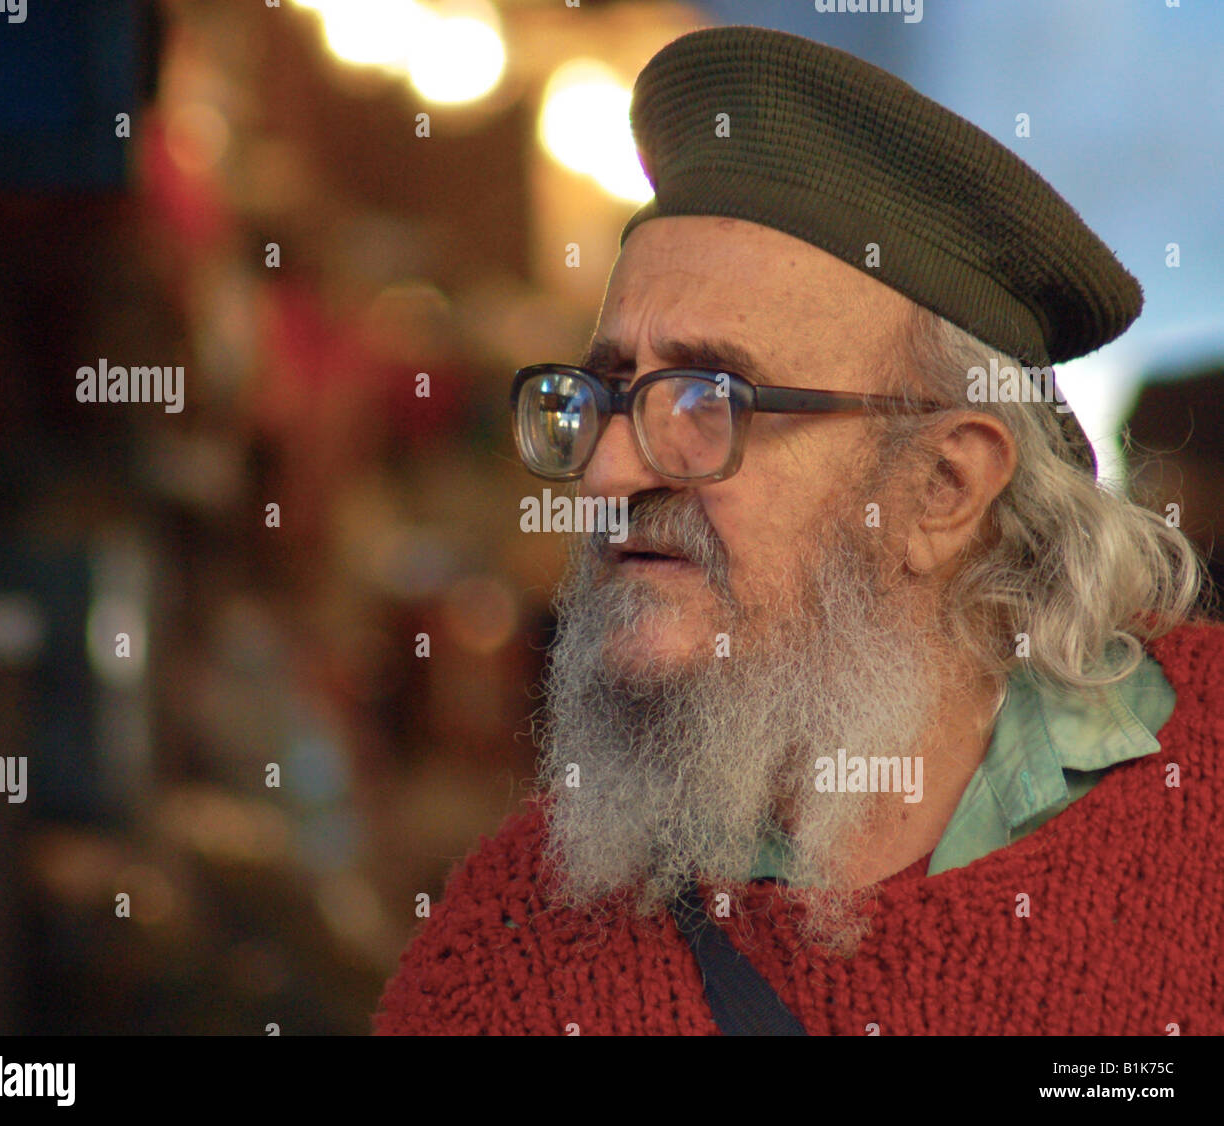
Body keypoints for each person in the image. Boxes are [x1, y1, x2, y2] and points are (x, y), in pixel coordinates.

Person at [374, 25, 1221, 1035]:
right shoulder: (502, 963)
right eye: (603, 394)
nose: (606, 469)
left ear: (942, 485)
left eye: (706, 395)